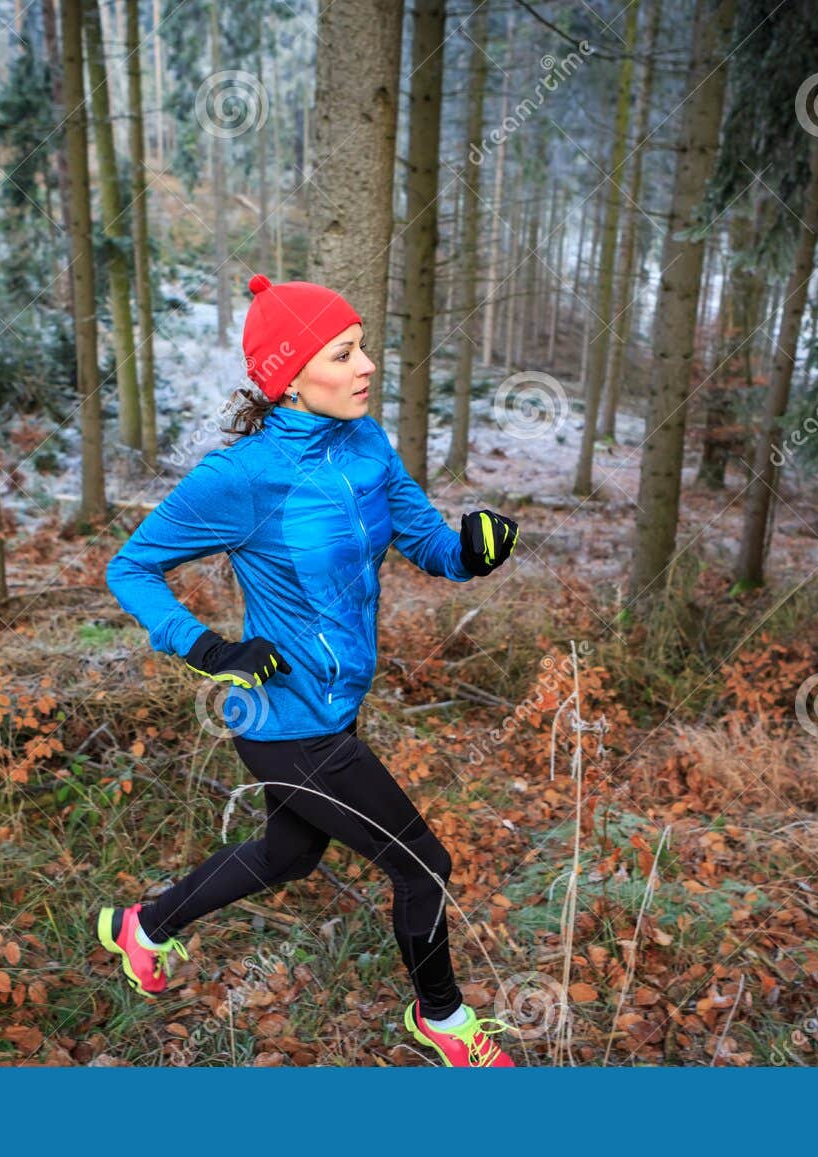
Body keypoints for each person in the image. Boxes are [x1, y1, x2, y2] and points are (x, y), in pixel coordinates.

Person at [101, 273, 522, 1068]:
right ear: (290, 378)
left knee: (289, 855)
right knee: (424, 863)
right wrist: (207, 648)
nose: (366, 365)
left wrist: (470, 551)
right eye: (343, 351)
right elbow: (129, 567)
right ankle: (443, 1019)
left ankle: (145, 925)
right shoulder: (242, 478)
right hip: (283, 720)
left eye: (363, 345)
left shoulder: (366, 442)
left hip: (335, 703)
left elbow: (425, 541)